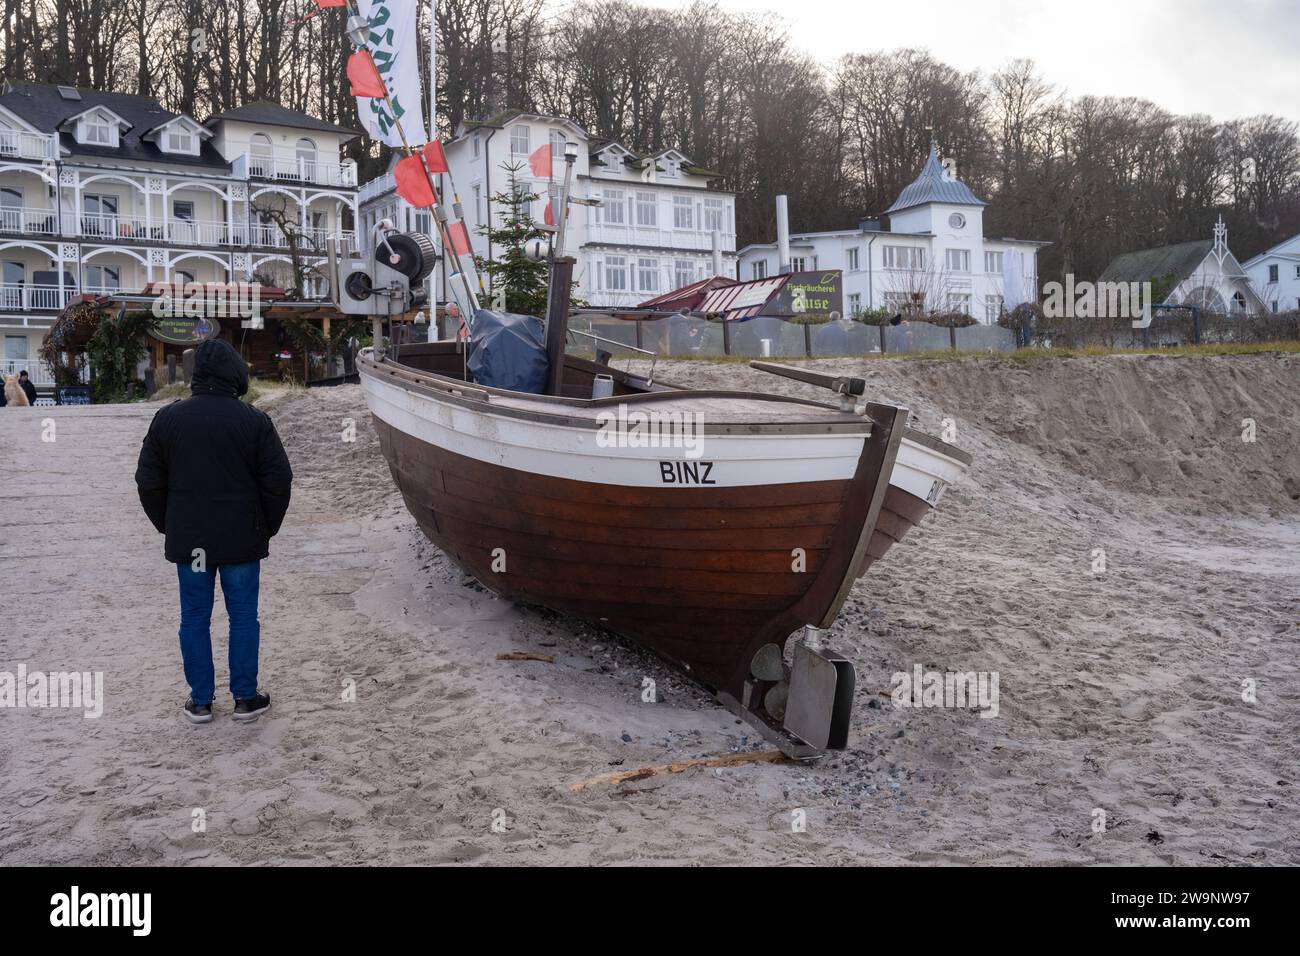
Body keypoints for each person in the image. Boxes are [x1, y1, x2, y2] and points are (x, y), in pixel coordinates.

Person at [135, 339, 293, 724]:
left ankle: (201, 702)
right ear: (235, 373)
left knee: (194, 617)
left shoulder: (168, 419)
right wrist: (265, 528)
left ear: (196, 375)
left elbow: (147, 482)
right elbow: (278, 481)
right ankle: (244, 698)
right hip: (241, 537)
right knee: (243, 616)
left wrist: (168, 525)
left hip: (191, 541)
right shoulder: (254, 420)